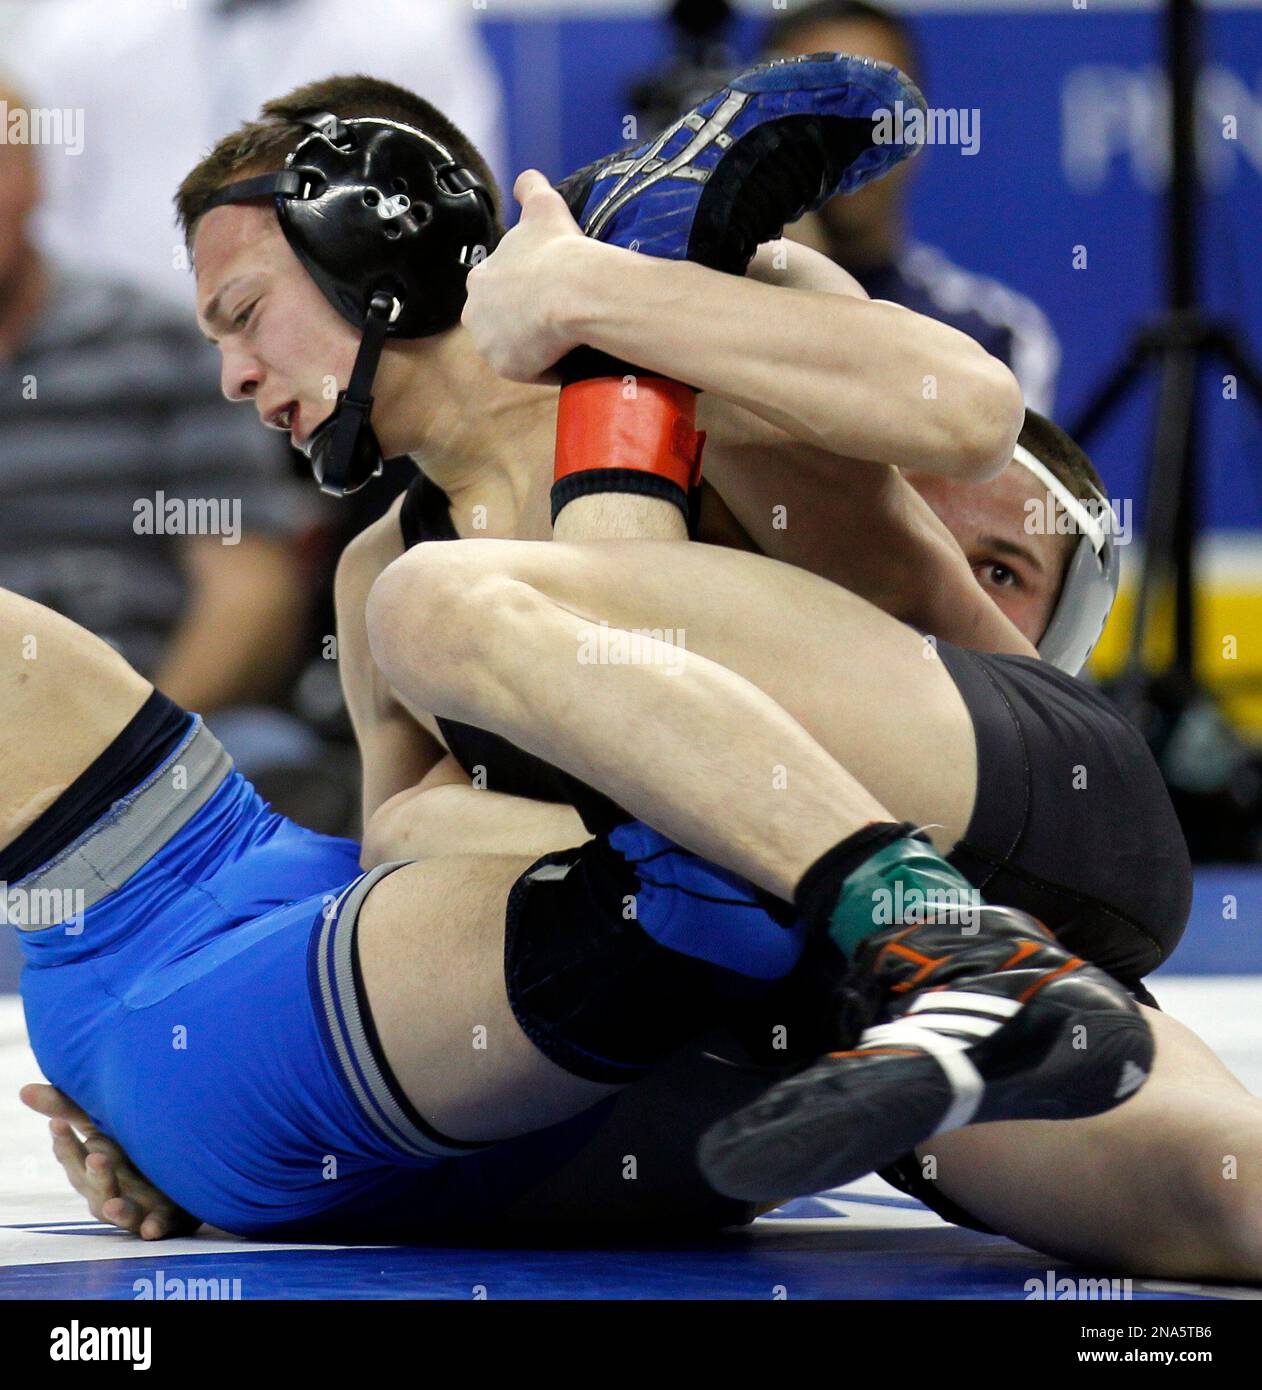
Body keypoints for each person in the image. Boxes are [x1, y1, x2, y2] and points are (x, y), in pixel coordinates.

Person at [21, 61, 1260, 1277]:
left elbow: (966, 412)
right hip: (853, 982)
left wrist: (593, 295)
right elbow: (405, 853)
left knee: (446, 607)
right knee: (1220, 1199)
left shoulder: (664, 293)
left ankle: (929, 931)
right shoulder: (372, 565)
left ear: (371, 240)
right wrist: (179, 1149)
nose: (235, 375)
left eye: (243, 314)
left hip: (1017, 797)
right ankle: (944, 954)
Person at [764, 0, 1061, 415]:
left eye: (878, 113)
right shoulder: (704, 312)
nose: (853, 142)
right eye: (819, 110)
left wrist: (813, 289)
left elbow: (960, 480)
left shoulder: (990, 337)